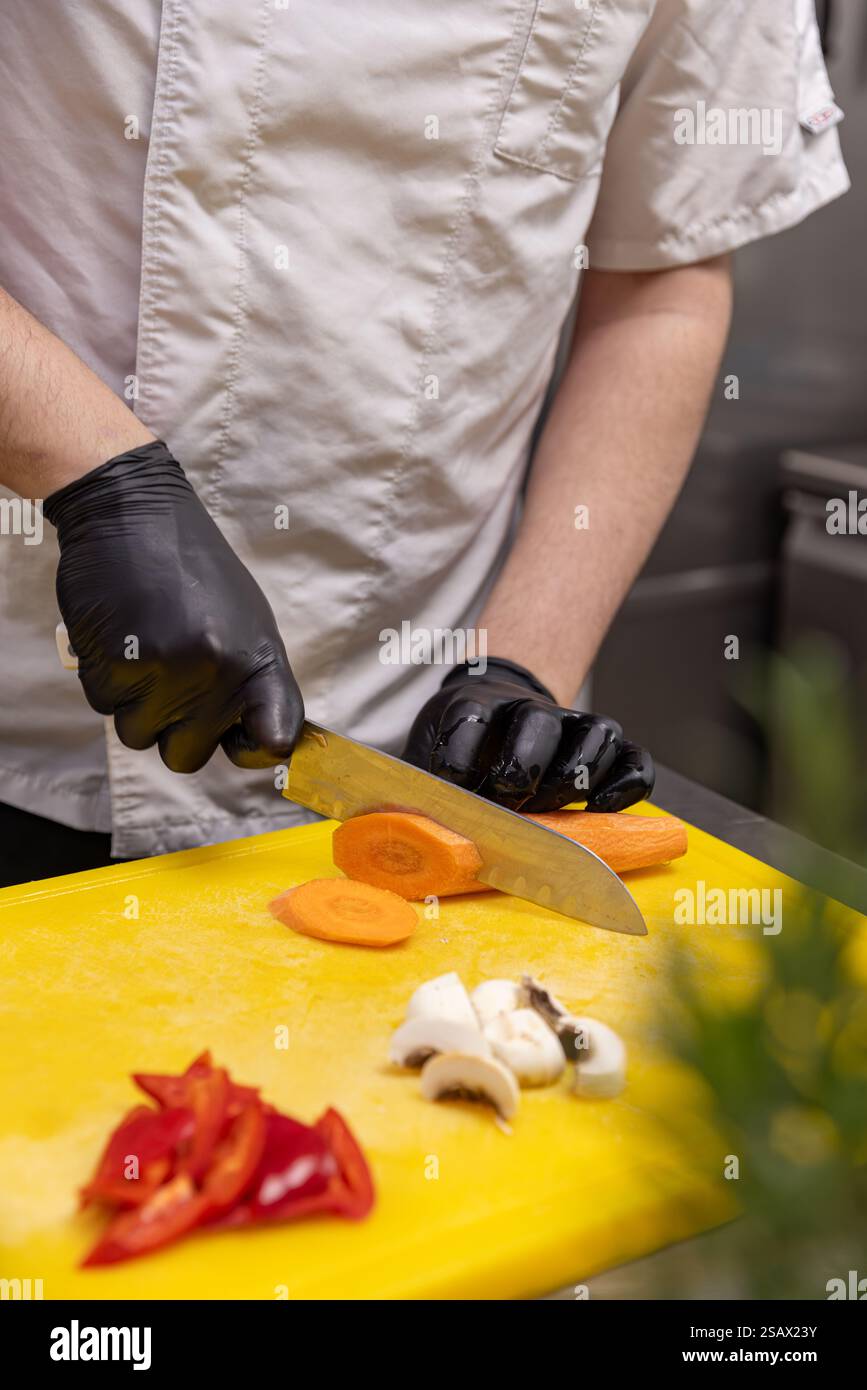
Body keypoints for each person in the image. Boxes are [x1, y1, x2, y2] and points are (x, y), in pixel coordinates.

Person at [0, 1, 848, 884]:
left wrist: (520, 670)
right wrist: (96, 479)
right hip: (19, 710)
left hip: (410, 754)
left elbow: (660, 274)